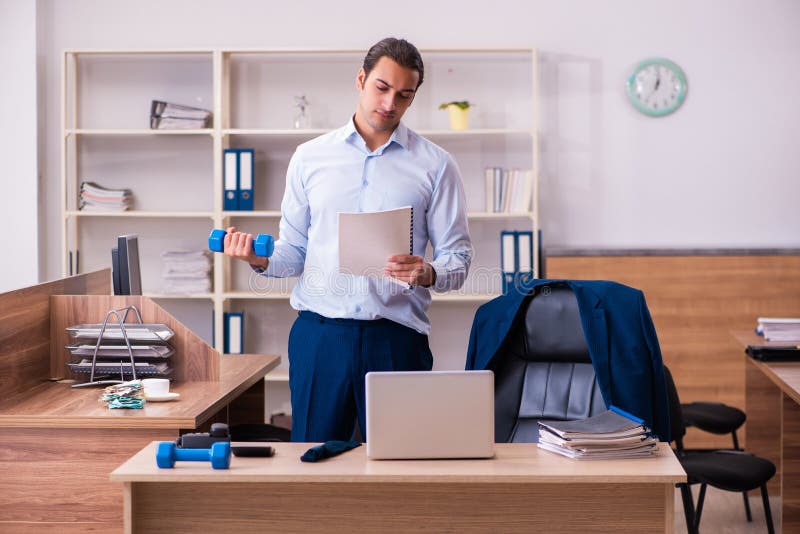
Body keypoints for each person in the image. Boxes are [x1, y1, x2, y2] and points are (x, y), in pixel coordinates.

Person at [223, 37, 473, 442]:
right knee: (315, 467)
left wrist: (427, 272)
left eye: (404, 96)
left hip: (396, 338)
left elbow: (458, 259)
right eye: (381, 88)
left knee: (400, 465)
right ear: (361, 79)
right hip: (321, 338)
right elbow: (294, 253)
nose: (390, 103)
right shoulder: (309, 157)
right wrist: (260, 258)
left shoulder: (436, 165)